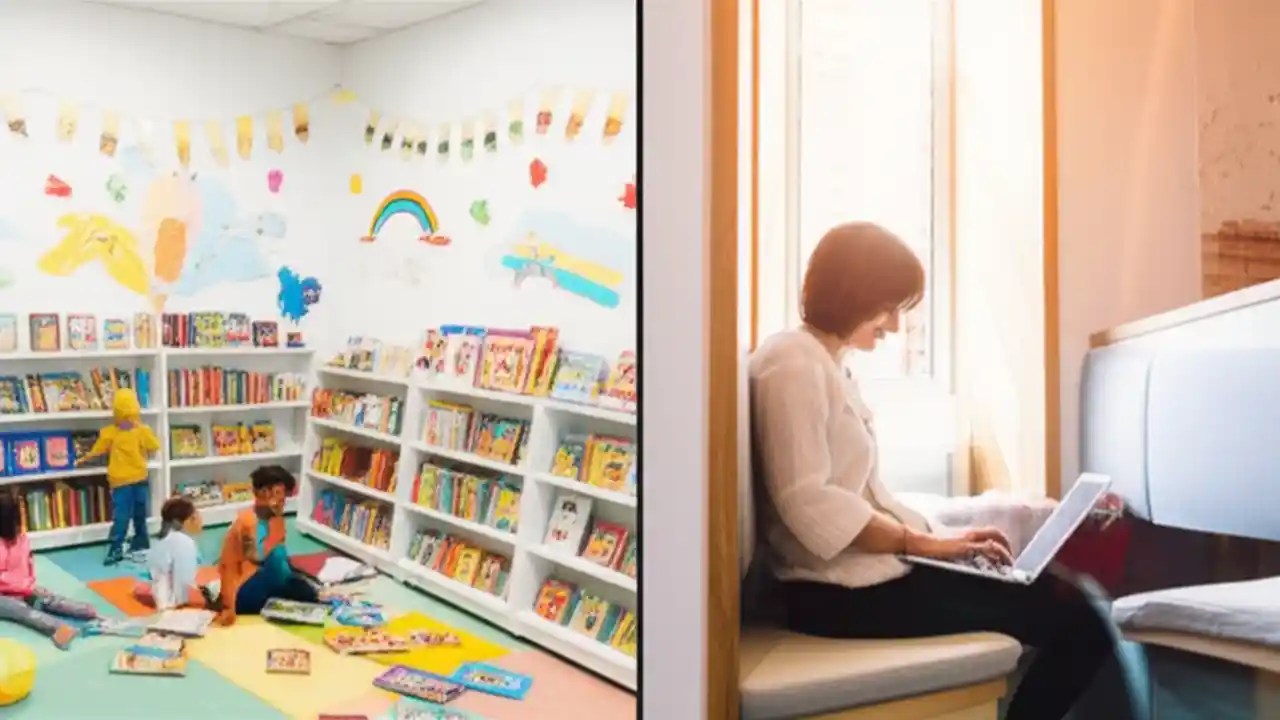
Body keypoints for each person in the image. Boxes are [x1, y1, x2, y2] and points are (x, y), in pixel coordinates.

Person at [749, 222, 1137, 720]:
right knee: (1079, 621)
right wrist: (929, 546)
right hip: (837, 596)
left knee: (1065, 595)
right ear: (853, 292)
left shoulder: (827, 362)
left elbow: (868, 495)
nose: (891, 325)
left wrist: (952, 541)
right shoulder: (791, 360)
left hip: (862, 580)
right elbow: (808, 501)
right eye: (887, 306)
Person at [215, 465, 318, 626]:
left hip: (268, 578)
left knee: (308, 592)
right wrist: (228, 607)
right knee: (279, 560)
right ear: (260, 494)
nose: (281, 503)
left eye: (283, 498)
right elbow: (256, 557)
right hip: (244, 586)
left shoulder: (275, 519)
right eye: (277, 497)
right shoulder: (247, 521)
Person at [0, 493, 98, 649]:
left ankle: (70, 619)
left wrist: (27, 587)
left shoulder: (17, 541)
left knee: (34, 605)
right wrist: (27, 587)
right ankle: (71, 619)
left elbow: (22, 569)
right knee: (34, 605)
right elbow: (16, 573)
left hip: (17, 591)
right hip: (15, 591)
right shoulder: (16, 541)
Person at [75, 387, 161, 565]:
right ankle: (115, 547)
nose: (128, 422)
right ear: (117, 415)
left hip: (140, 480)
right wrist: (84, 458)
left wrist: (144, 430)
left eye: (131, 417)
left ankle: (141, 543)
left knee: (140, 514)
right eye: (124, 417)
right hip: (120, 483)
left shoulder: (141, 431)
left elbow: (154, 445)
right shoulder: (110, 433)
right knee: (121, 517)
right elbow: (98, 449)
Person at [143, 496, 207, 610]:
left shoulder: (164, 541)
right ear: (177, 522)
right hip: (174, 607)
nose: (199, 521)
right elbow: (184, 585)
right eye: (193, 518)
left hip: (165, 601)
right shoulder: (183, 542)